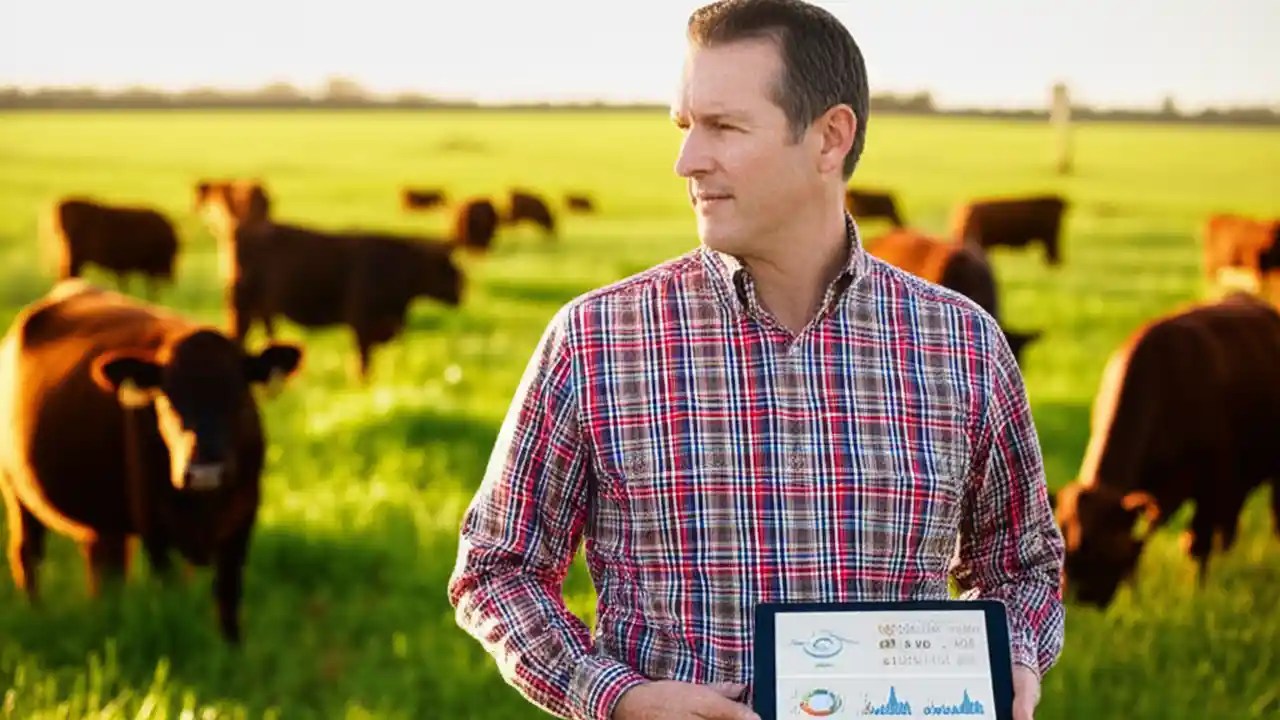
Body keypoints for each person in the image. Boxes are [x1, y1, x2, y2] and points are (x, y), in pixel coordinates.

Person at [447, 1, 1066, 719]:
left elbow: (1022, 565)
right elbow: (497, 567)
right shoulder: (595, 341)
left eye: (725, 126)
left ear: (830, 138)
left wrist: (1013, 653)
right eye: (685, 126)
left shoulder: (964, 345)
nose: (686, 161)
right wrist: (617, 697)